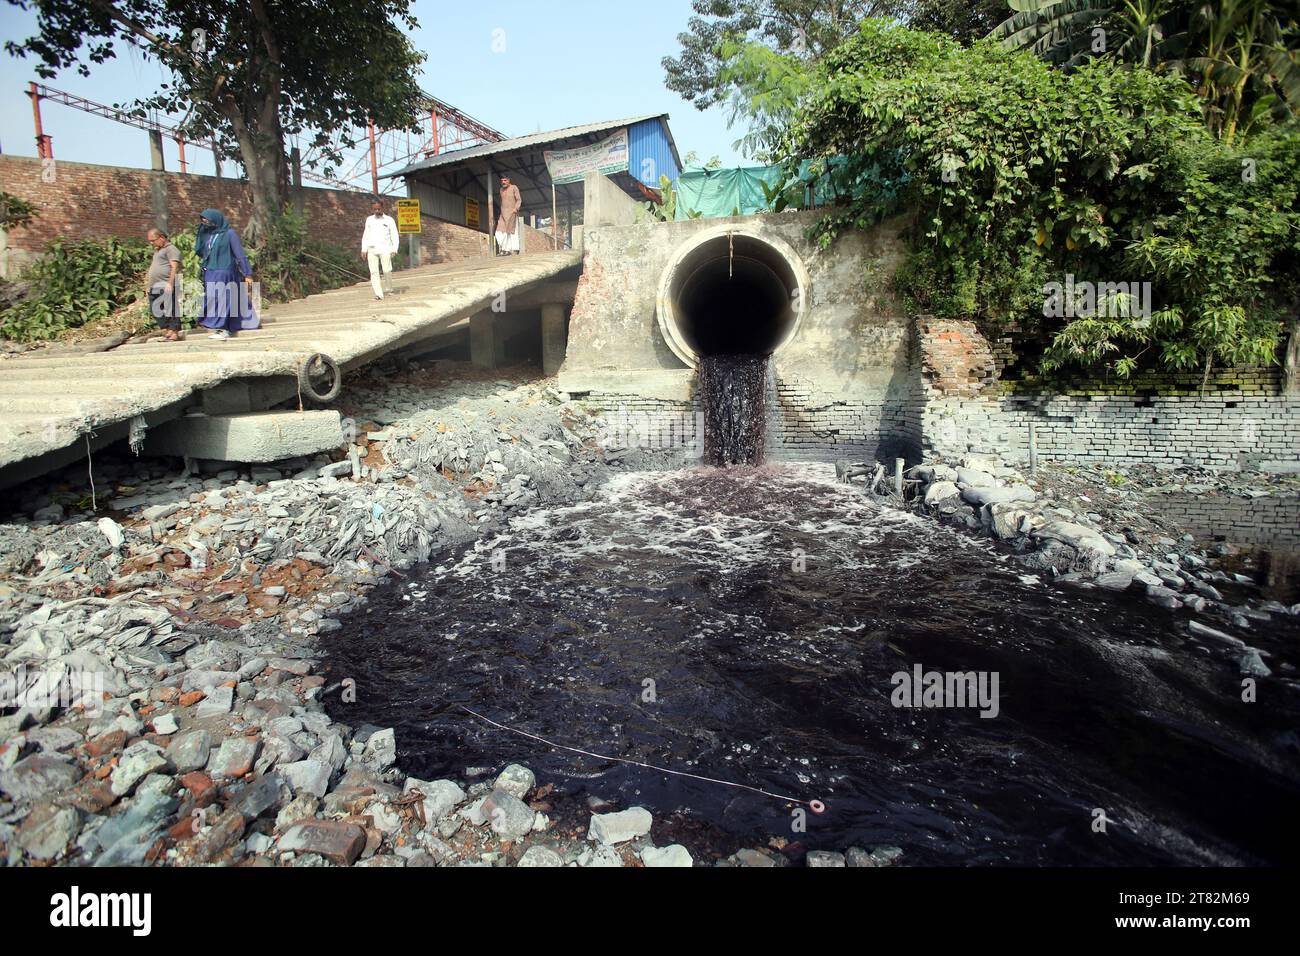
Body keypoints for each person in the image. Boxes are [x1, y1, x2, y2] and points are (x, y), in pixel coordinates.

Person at [196, 208, 258, 340]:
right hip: (210, 273)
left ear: (216, 219)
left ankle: (222, 329)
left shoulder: (230, 234)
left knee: (223, 300)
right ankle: (225, 326)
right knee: (213, 300)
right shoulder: (210, 235)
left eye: (207, 220)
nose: (205, 223)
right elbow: (201, 251)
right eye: (203, 221)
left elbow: (240, 255)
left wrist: (247, 273)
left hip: (225, 272)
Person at [145, 227, 183, 341]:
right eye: (150, 241)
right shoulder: (158, 250)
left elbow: (174, 267)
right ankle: (167, 329)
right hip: (154, 286)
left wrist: (170, 283)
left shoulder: (171, 249)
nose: (151, 243)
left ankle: (174, 332)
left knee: (171, 308)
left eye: (153, 240)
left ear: (161, 237)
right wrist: (148, 286)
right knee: (155, 308)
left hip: (166, 283)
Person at [361, 198, 399, 299]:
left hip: (385, 248)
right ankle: (378, 294)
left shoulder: (389, 220)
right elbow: (366, 234)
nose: (377, 211)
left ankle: (389, 289)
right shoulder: (369, 220)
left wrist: (394, 248)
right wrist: (364, 249)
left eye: (379, 209)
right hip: (372, 249)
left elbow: (394, 235)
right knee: (373, 272)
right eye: (375, 209)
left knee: (387, 270)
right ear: (372, 209)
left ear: (382, 208)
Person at [494, 175, 521, 255]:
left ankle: (514, 249)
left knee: (512, 231)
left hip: (512, 213)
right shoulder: (501, 189)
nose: (503, 182)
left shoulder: (514, 187)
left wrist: (515, 209)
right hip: (503, 214)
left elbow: (519, 200)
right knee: (499, 232)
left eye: (505, 180)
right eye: (502, 181)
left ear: (509, 180)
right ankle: (505, 249)